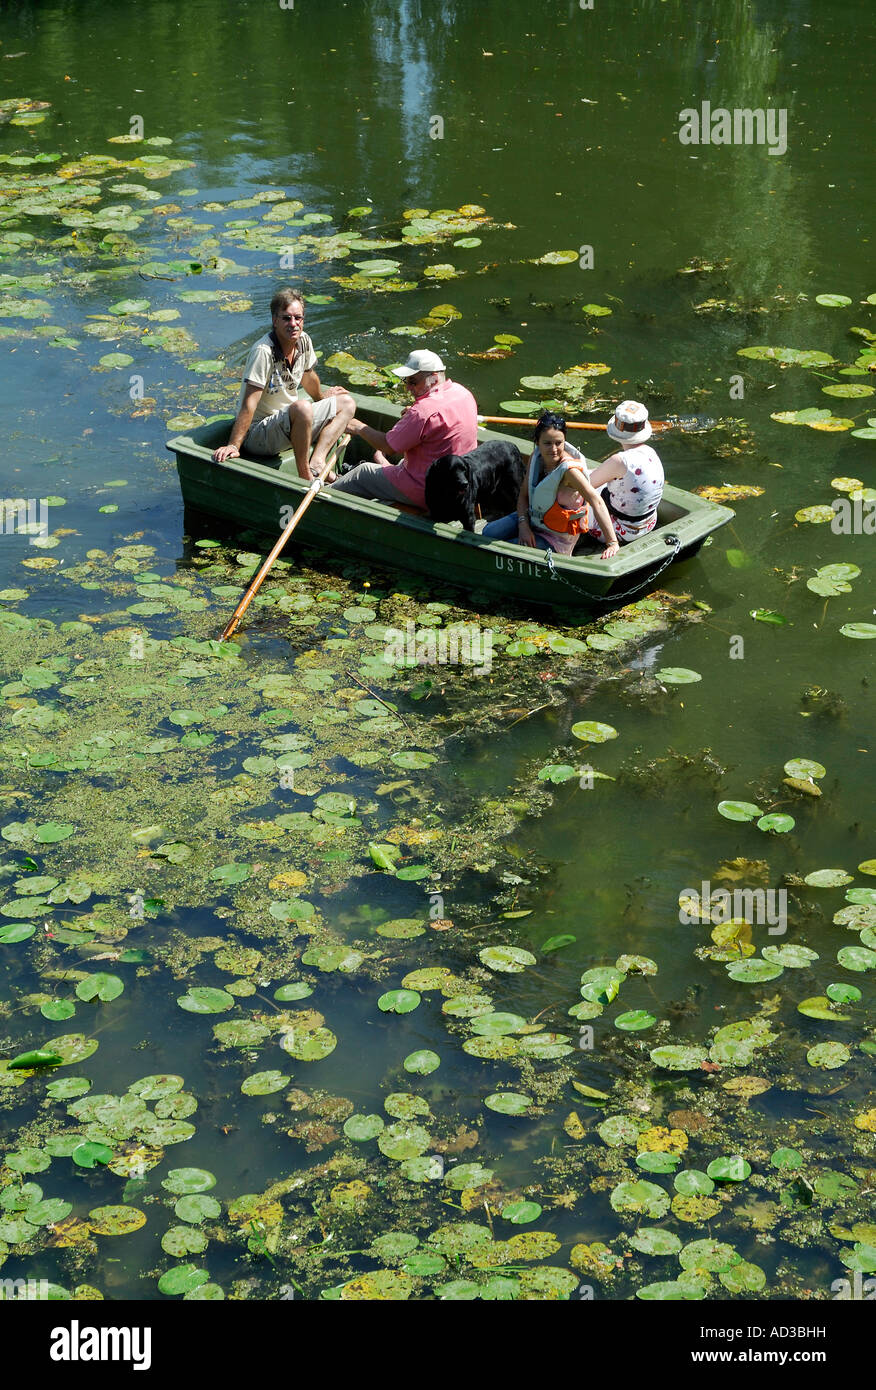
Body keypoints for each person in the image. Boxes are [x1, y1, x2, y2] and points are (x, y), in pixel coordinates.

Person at [212, 288, 355, 481]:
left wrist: (323, 399)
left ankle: (317, 462)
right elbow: (249, 404)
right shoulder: (263, 352)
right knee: (303, 408)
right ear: (275, 320)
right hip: (260, 434)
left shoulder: (304, 341)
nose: (293, 324)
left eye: (298, 318)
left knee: (346, 403)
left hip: (291, 423)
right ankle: (305, 476)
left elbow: (308, 377)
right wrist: (234, 445)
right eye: (287, 318)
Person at [332, 350, 478, 508]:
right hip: (461, 484)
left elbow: (388, 446)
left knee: (363, 472)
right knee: (401, 462)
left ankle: (323, 497)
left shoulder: (422, 412)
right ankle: (384, 468)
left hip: (429, 491)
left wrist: (357, 427)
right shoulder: (463, 393)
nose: (408, 387)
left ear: (434, 378)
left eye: (413, 382)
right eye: (406, 380)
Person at [482, 411, 620, 559]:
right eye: (547, 443)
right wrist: (523, 526)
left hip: (556, 539)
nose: (554, 449)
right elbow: (523, 496)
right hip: (532, 519)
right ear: (537, 442)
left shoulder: (569, 471)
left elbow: (596, 501)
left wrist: (612, 542)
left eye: (558, 443)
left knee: (502, 549)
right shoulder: (537, 457)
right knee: (488, 533)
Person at [583, 401, 664, 544]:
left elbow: (584, 484)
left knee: (572, 495)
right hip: (648, 524)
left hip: (622, 531)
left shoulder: (619, 461)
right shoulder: (650, 452)